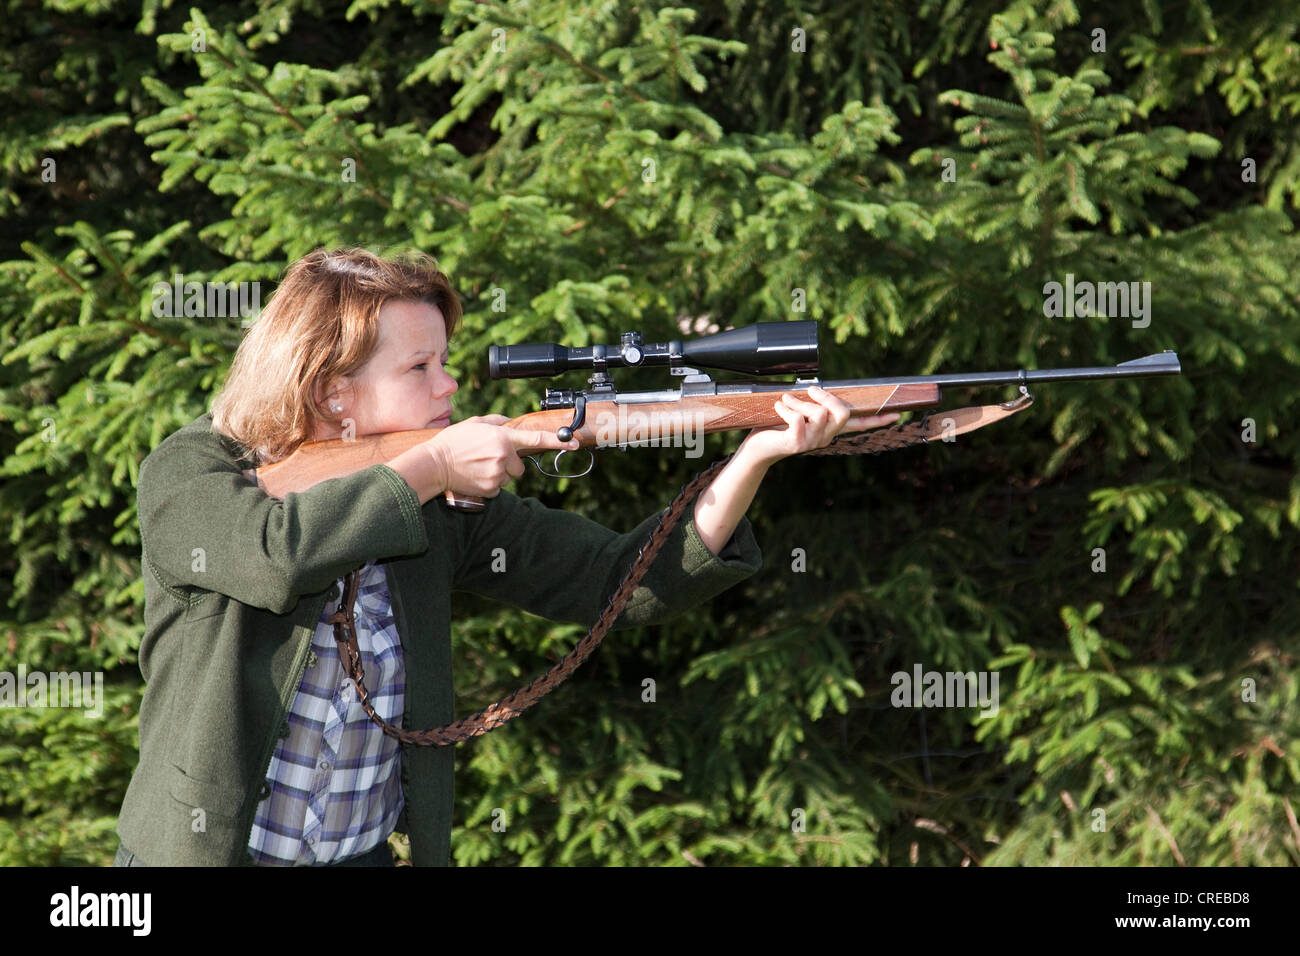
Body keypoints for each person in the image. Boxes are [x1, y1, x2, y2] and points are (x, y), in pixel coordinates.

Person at [112, 247, 898, 867]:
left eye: (444, 360)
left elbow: (615, 584)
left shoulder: (447, 511)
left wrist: (752, 458)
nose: (449, 384)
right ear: (332, 390)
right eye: (419, 368)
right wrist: (432, 468)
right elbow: (274, 555)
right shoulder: (194, 472)